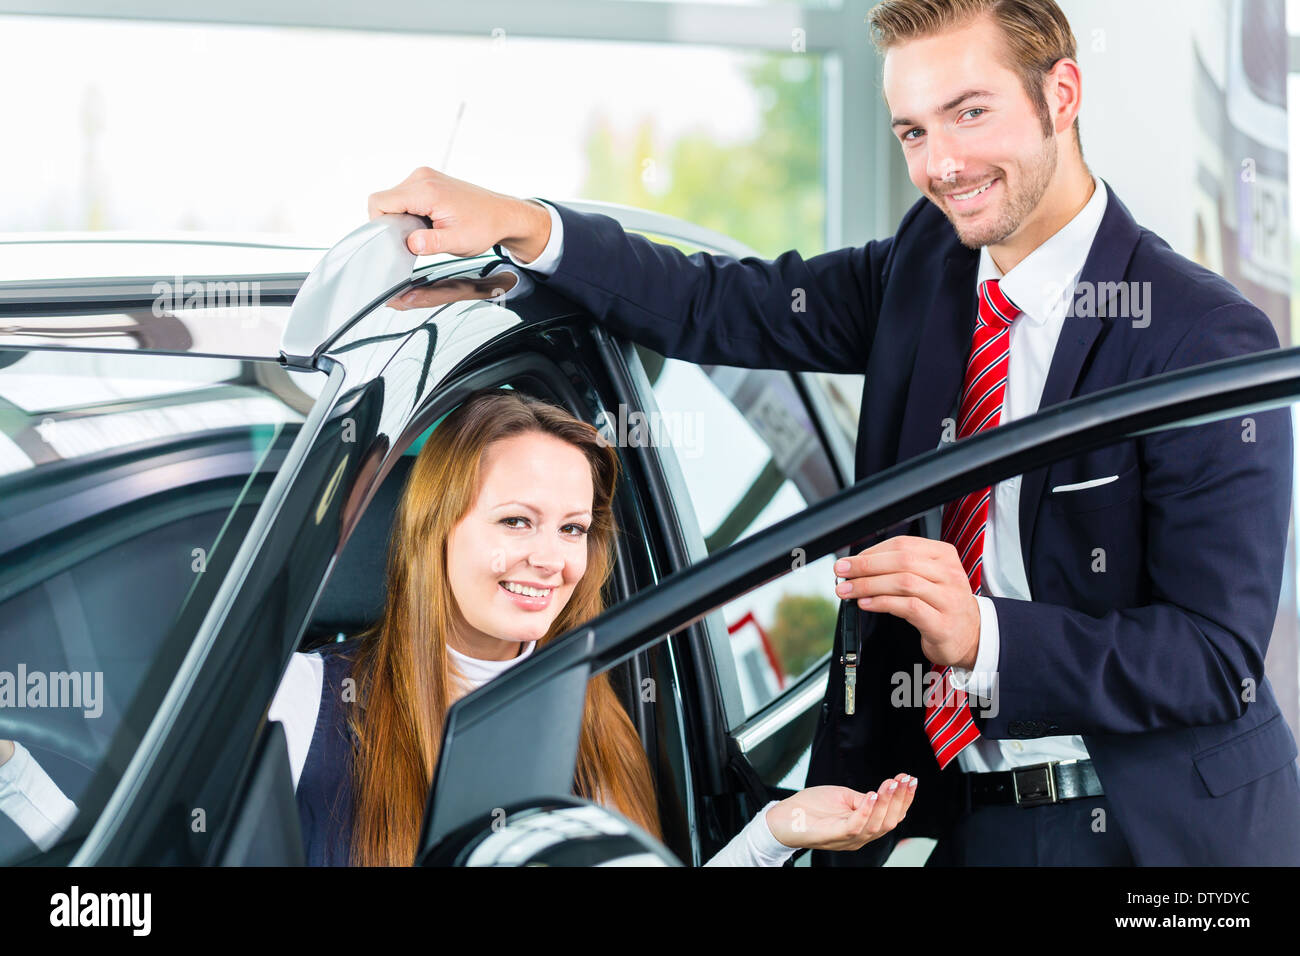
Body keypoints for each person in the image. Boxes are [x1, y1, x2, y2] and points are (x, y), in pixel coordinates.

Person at [365, 0, 1300, 865]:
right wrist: (529, 227)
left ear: (1062, 92)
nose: (941, 165)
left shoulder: (1202, 338)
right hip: (970, 826)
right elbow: (718, 304)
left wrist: (985, 636)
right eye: (912, 131)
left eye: (969, 113)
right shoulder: (926, 266)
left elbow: (1214, 661)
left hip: (1164, 837)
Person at [0, 388, 917, 866]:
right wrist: (14, 775)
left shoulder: (601, 714)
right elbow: (136, 864)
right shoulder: (310, 694)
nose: (549, 561)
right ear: (436, 531)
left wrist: (776, 834)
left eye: (571, 529)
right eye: (515, 522)